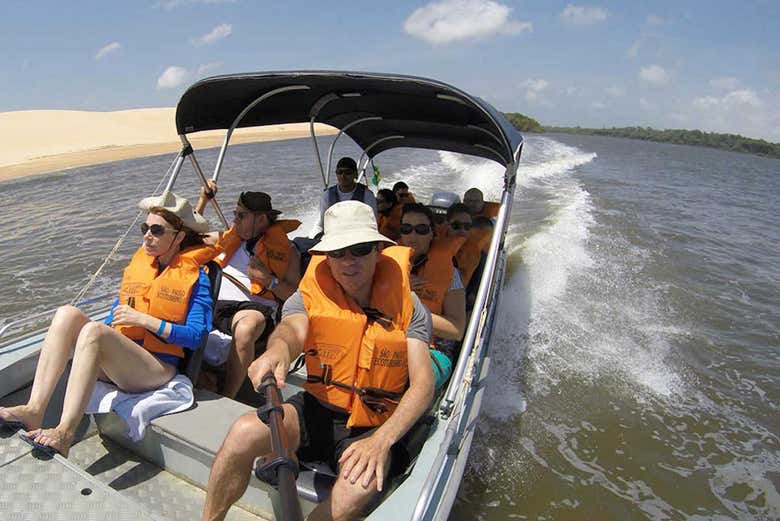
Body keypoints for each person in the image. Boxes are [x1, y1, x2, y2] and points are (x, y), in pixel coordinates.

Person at [202, 201, 434, 521]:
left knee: (354, 489)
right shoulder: (306, 296)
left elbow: (423, 385)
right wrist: (276, 352)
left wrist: (382, 441)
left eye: (360, 249)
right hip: (317, 410)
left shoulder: (411, 305)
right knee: (242, 432)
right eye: (338, 252)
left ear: (379, 249)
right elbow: (290, 332)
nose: (348, 262)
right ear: (326, 256)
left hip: (374, 424)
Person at [0, 192, 214, 457]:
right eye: (144, 228)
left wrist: (145, 321)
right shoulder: (143, 267)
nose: (147, 235)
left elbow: (195, 336)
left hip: (157, 367)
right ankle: (34, 409)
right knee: (67, 313)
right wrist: (119, 324)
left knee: (95, 332)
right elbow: (118, 312)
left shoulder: (198, 278)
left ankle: (65, 432)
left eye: (157, 230)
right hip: (124, 363)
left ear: (179, 237)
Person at [196, 184, 301, 399]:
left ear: (261, 220)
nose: (235, 219)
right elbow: (192, 234)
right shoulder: (229, 237)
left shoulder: (287, 251)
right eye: (235, 214)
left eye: (241, 215)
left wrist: (268, 280)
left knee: (245, 329)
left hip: (252, 308)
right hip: (214, 300)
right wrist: (203, 201)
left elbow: (295, 296)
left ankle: (228, 396)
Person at [397, 203, 466, 384]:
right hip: (391, 339)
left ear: (432, 234)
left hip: (434, 346)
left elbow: (456, 330)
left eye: (421, 229)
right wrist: (400, 288)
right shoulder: (386, 265)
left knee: (405, 379)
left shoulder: (450, 272)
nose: (413, 236)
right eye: (406, 229)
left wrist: (407, 308)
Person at [311, 157, 377, 237]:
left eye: (348, 172)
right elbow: (320, 223)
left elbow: (373, 223)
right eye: (340, 172)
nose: (343, 176)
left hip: (359, 237)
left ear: (355, 174)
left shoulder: (367, 195)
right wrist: (315, 237)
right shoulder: (327, 195)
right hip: (333, 237)